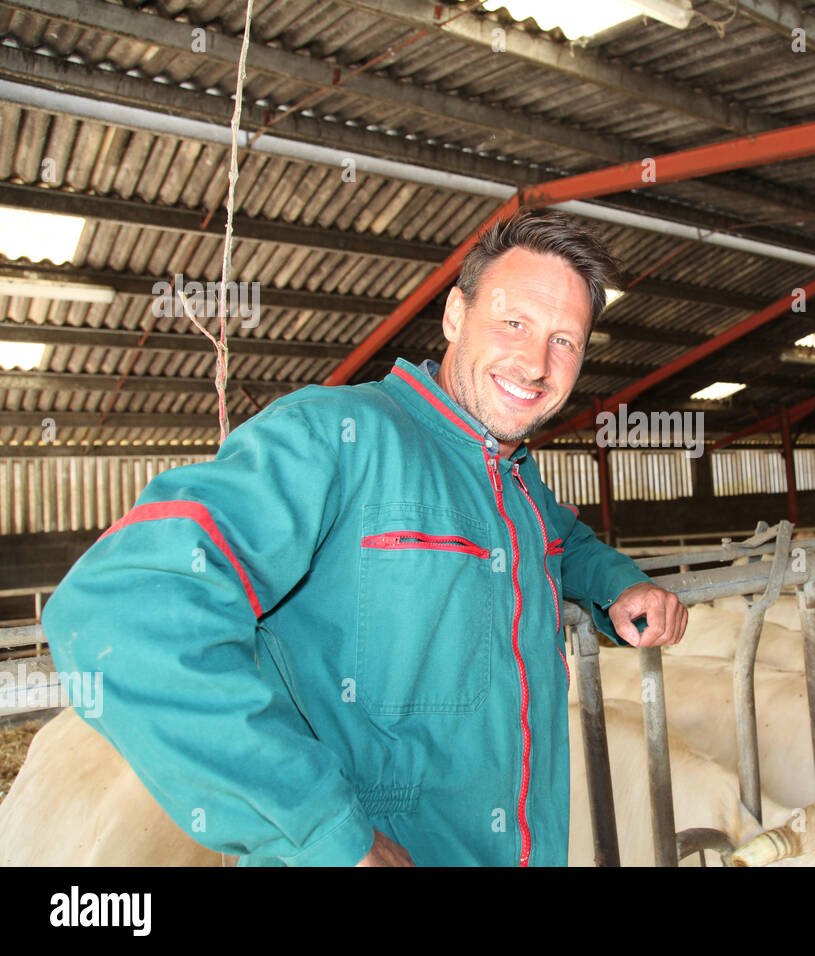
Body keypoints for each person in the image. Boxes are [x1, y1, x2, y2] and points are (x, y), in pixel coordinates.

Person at [42, 211, 688, 867]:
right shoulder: (333, 438)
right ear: (455, 316)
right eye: (513, 322)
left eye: (564, 340)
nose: (535, 361)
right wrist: (324, 833)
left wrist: (617, 583)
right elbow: (120, 611)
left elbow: (563, 538)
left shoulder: (514, 479)